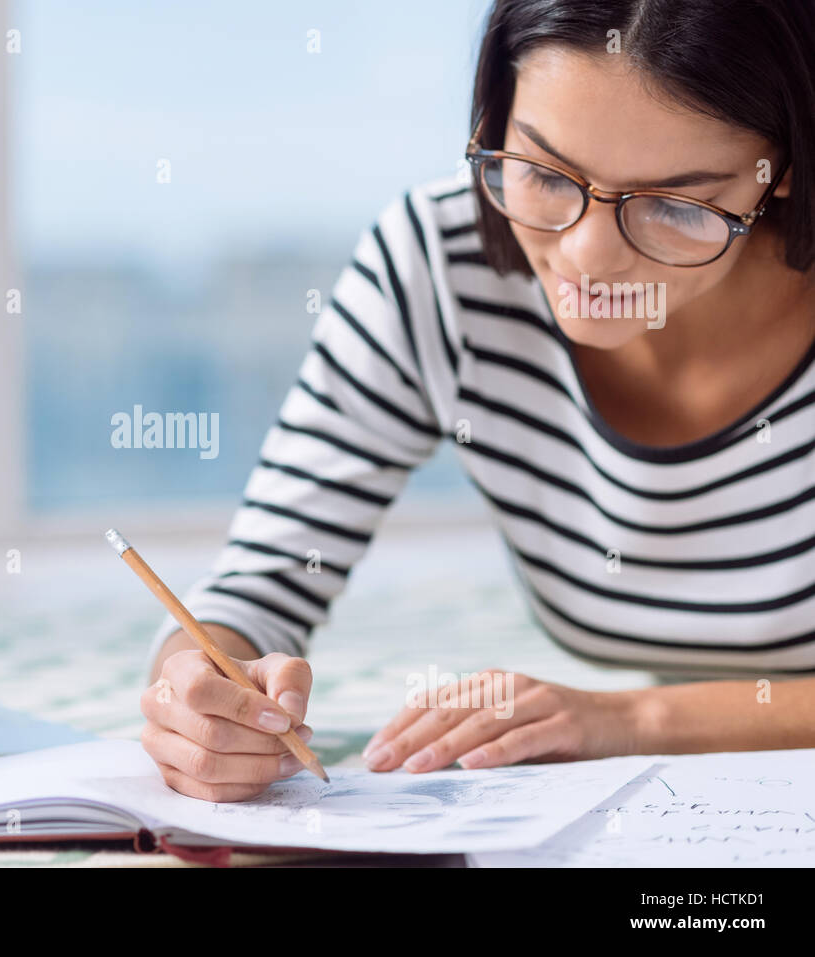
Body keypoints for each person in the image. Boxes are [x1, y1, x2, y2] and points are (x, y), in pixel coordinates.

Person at [140, 0, 815, 802]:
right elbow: (262, 582)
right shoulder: (438, 265)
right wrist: (196, 693)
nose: (585, 254)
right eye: (543, 173)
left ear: (785, 172)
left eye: (675, 206)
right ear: (493, 118)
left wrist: (628, 718)